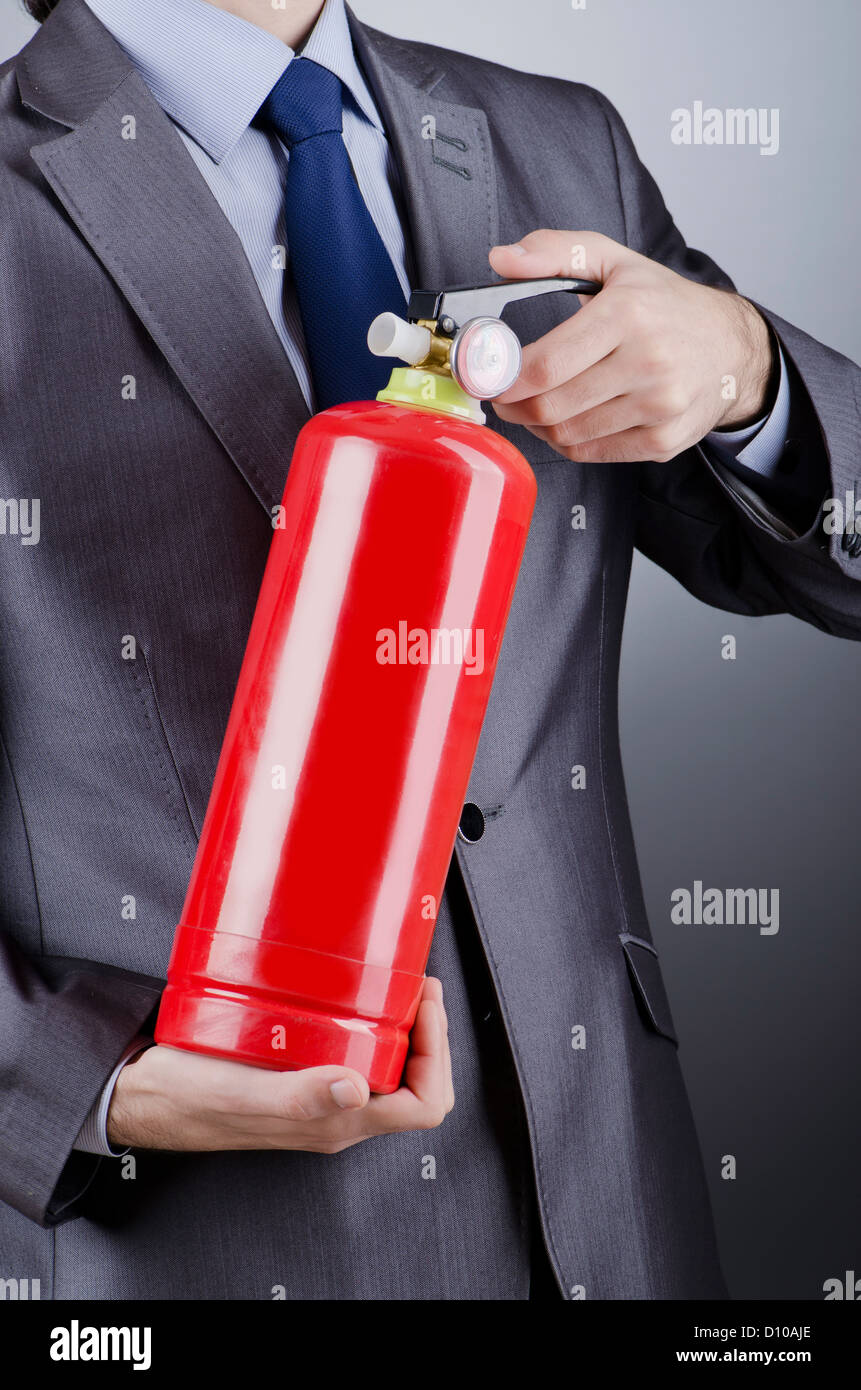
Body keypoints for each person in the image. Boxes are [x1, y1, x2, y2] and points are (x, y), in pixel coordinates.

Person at [1, 0, 859, 1301]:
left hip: (606, 1201)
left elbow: (823, 564)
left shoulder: (560, 145)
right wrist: (99, 1083)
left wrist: (749, 376)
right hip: (193, 1248)